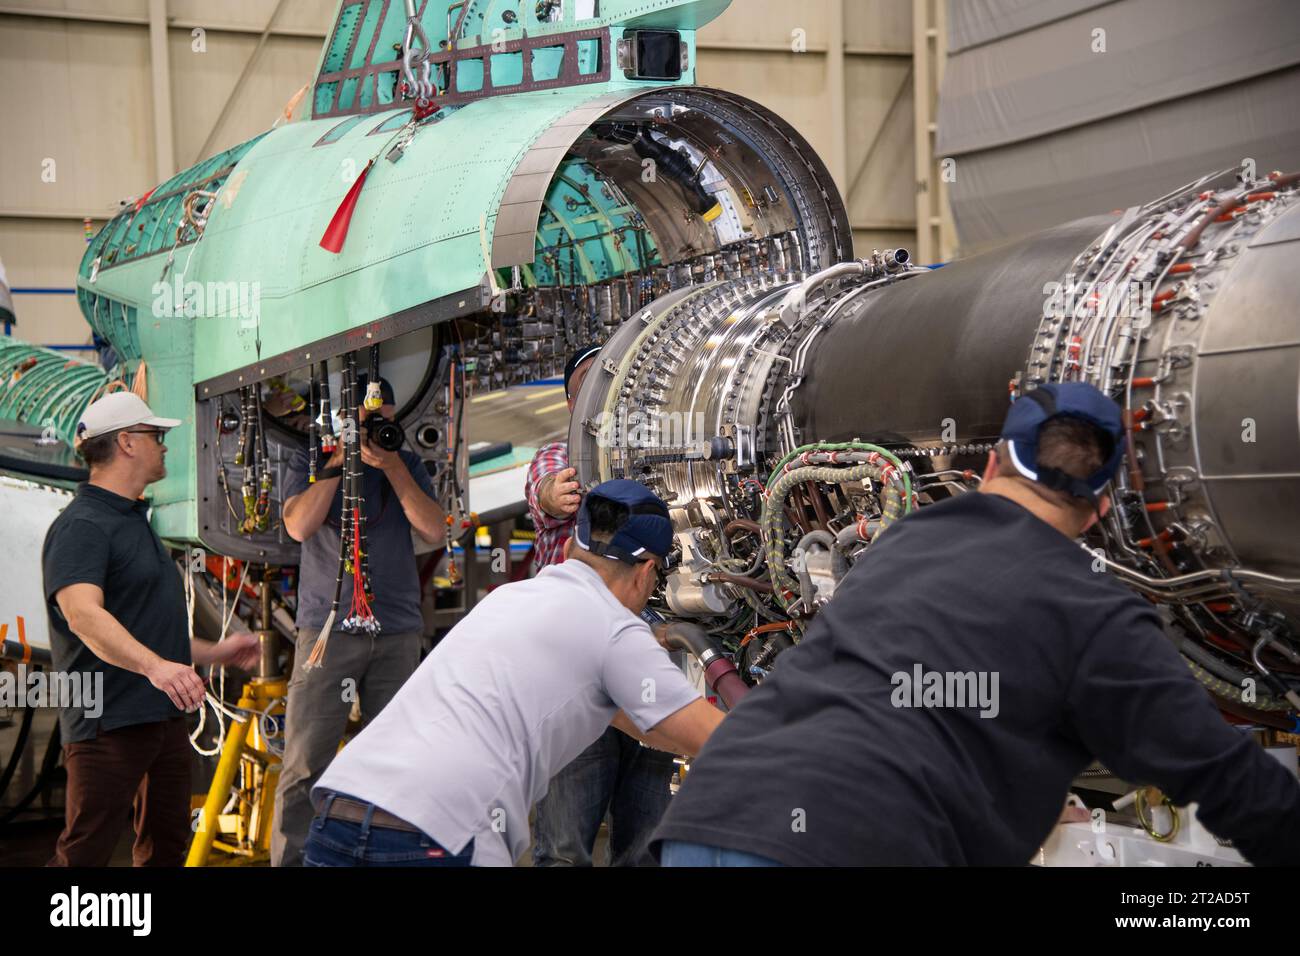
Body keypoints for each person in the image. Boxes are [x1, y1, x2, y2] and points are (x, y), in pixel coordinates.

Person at [652, 382, 1300, 866]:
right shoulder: (1093, 610)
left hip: (709, 813)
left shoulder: (900, 544)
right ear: (1102, 504)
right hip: (854, 841)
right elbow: (1221, 776)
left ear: (992, 463)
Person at [303, 480, 724, 866]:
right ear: (647, 572)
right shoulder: (615, 628)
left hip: (338, 811)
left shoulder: (507, 599)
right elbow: (715, 739)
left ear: (567, 552)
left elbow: (635, 717)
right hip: (433, 834)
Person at [43, 391, 260, 866]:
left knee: (165, 846)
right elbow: (83, 615)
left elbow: (148, 632)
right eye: (155, 436)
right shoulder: (83, 525)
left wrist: (215, 652)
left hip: (160, 719)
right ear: (126, 442)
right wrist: (157, 668)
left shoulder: (135, 522)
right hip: (109, 722)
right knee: (86, 853)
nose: (164, 446)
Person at [271, 374, 446, 866]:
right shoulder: (311, 462)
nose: (378, 432)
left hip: (396, 632)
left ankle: (389, 857)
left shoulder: (405, 463)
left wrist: (391, 466)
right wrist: (338, 458)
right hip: (329, 634)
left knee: (396, 761)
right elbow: (300, 524)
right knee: (306, 762)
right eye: (369, 424)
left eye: (385, 423)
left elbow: (433, 528)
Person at [524, 345, 681, 866]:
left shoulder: (667, 457)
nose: (604, 393)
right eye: (589, 383)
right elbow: (546, 487)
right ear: (574, 403)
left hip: (651, 670)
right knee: (565, 845)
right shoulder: (559, 456)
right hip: (579, 680)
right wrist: (553, 494)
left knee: (646, 843)